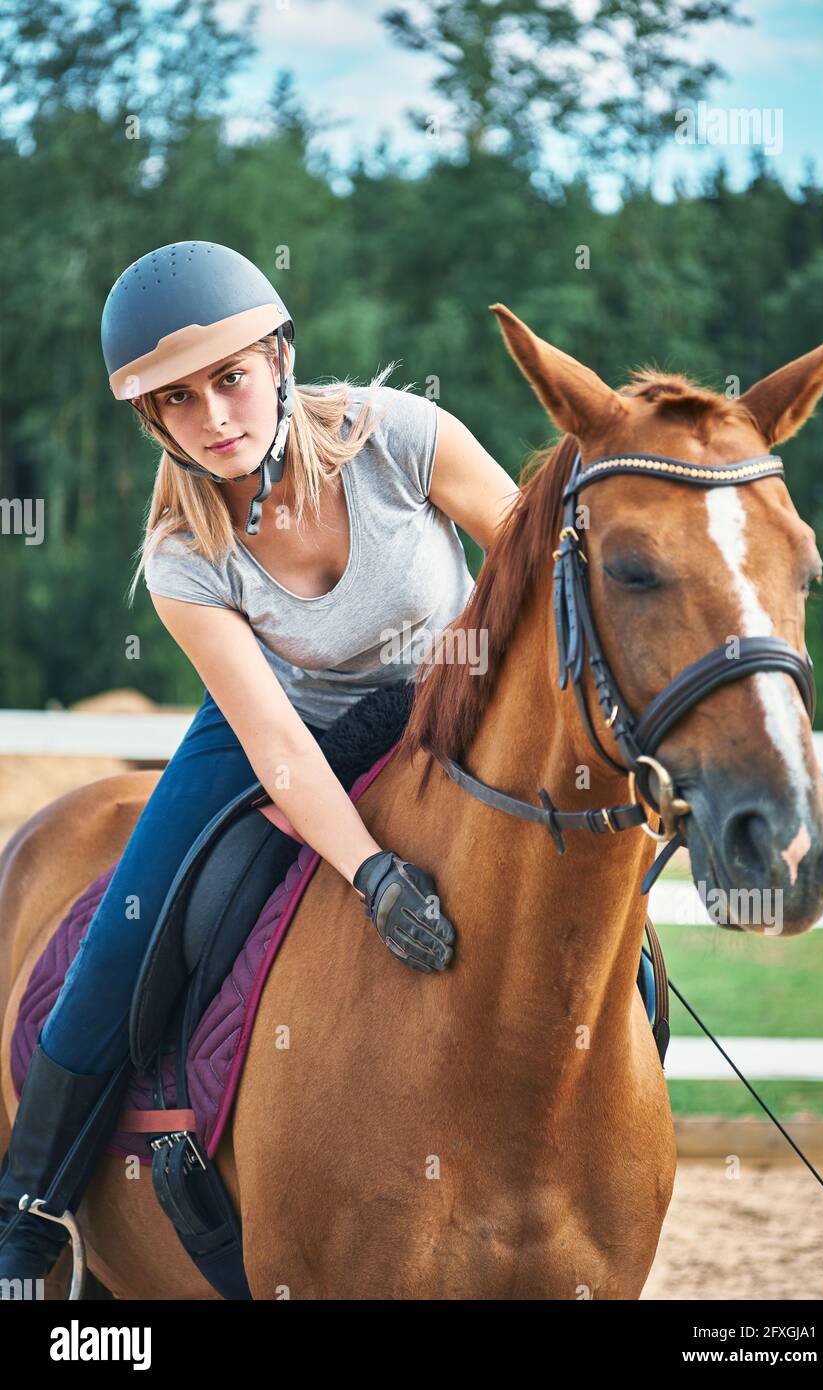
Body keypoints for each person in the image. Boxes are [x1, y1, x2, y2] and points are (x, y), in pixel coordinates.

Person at [0, 240, 521, 1281]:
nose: (215, 418)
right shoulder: (183, 558)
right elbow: (277, 742)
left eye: (230, 378)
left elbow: (533, 583)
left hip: (439, 710)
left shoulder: (406, 438)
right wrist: (370, 873)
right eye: (178, 402)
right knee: (125, 936)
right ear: (153, 420)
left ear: (280, 358)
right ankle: (26, 1207)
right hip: (274, 733)